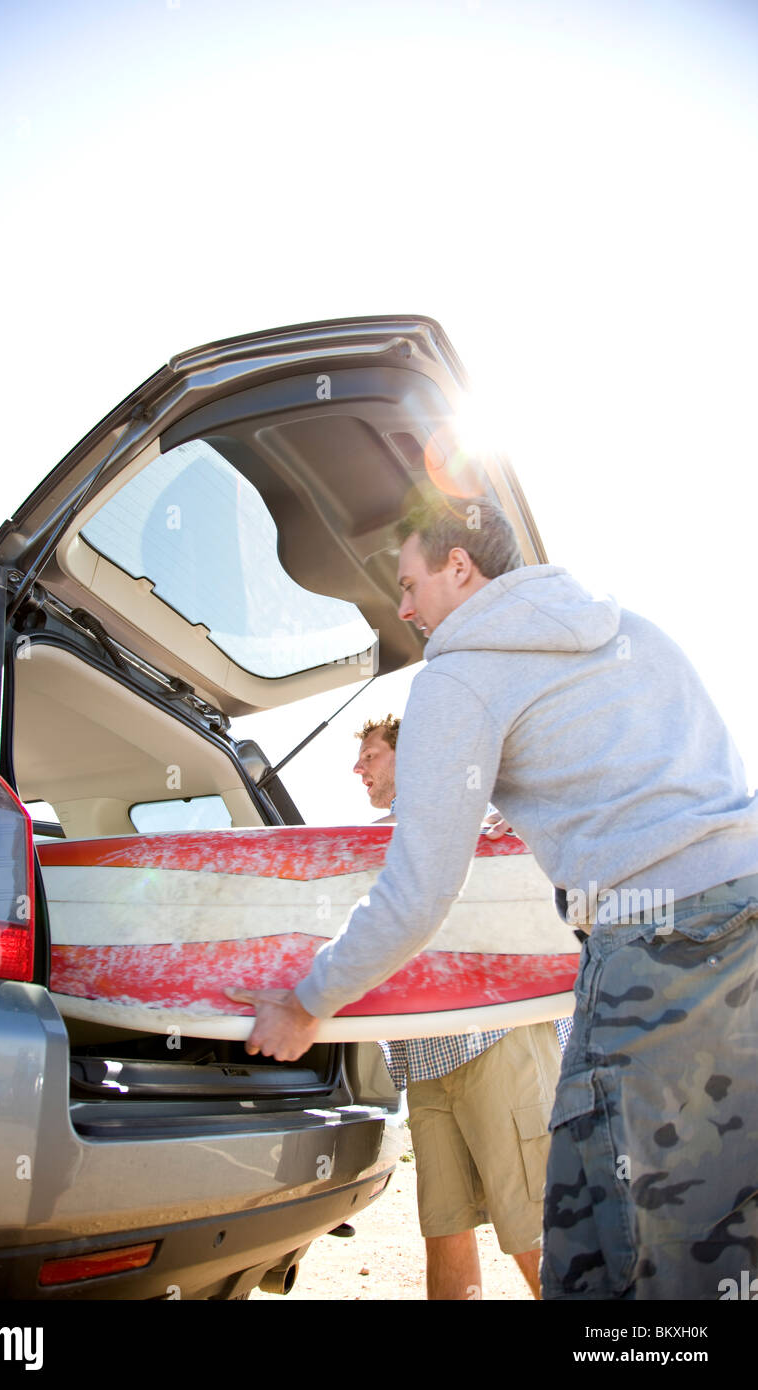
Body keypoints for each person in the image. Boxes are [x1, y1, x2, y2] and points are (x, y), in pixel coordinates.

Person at [228, 493, 758, 1300]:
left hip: (653, 955)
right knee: (724, 1228)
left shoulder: (460, 677)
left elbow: (419, 891)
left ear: (459, 567)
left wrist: (305, 1006)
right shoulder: (630, 628)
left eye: (409, 584)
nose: (403, 609)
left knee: (607, 1252)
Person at [353, 714, 571, 1300]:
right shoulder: (371, 841)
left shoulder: (478, 815)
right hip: (424, 1059)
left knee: (535, 1225)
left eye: (370, 756)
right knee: (444, 1228)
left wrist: (527, 817)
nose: (358, 768)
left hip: (500, 1040)